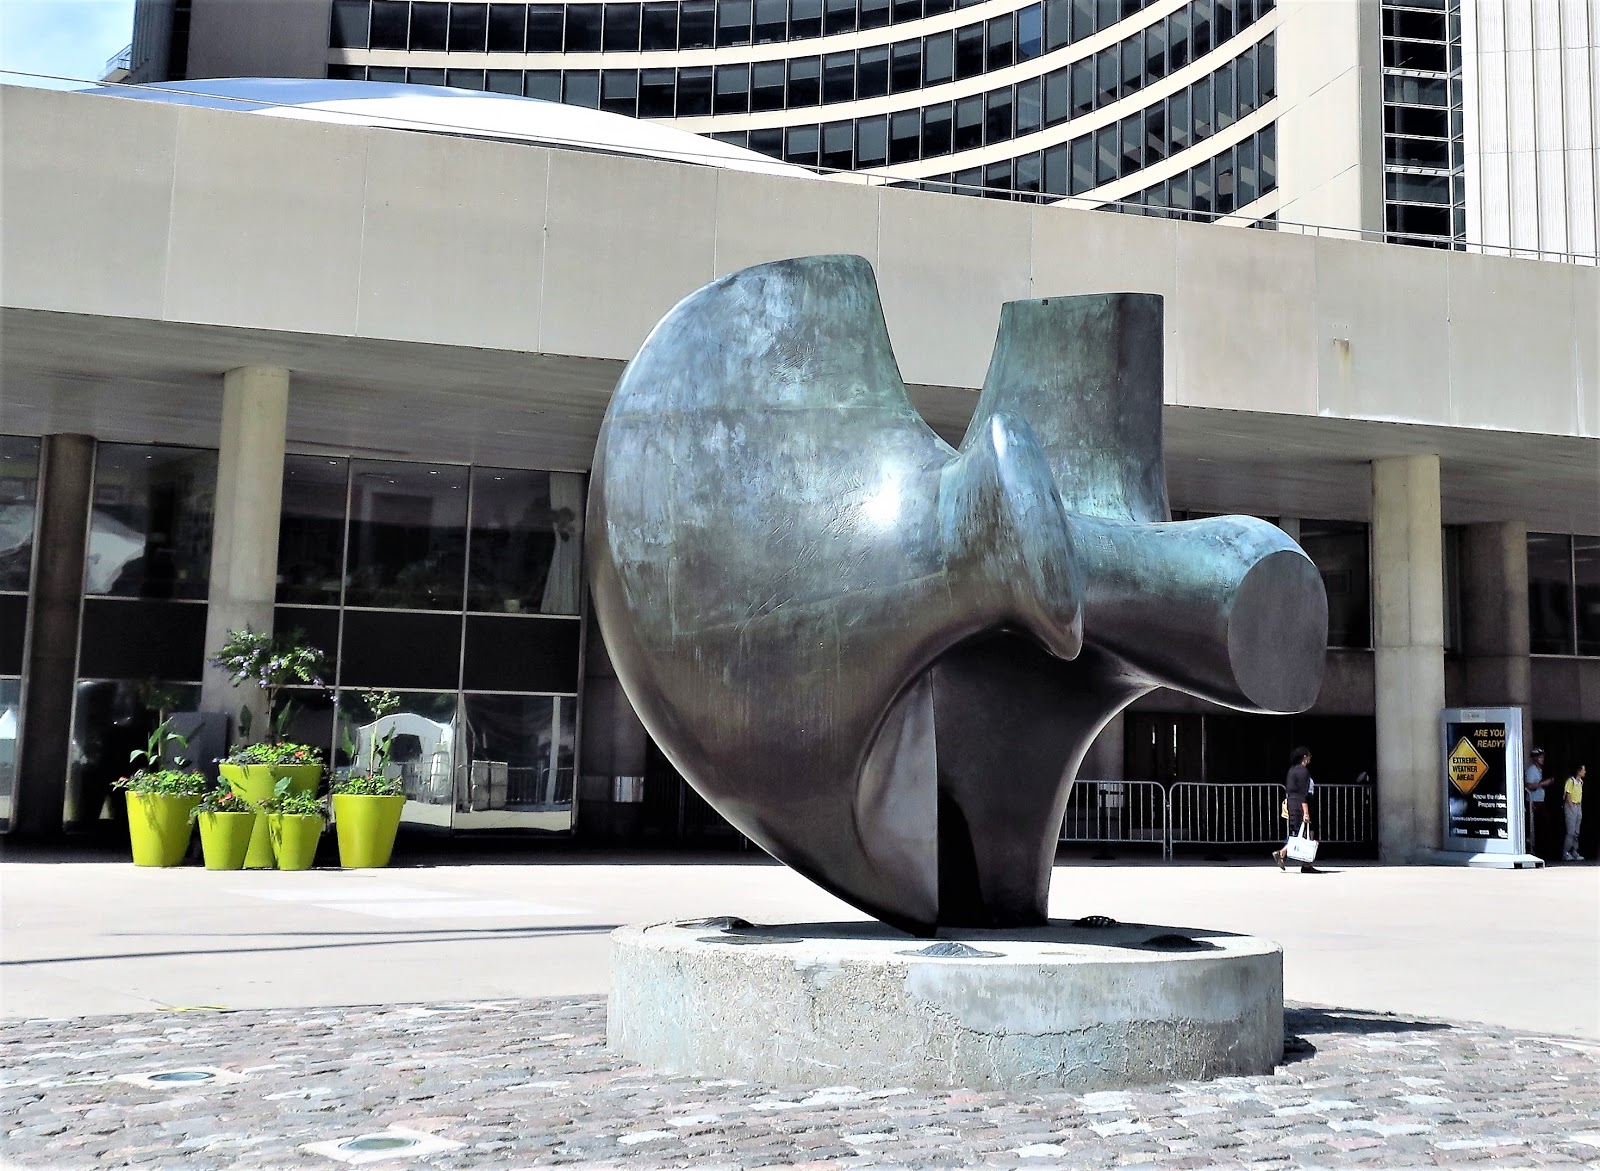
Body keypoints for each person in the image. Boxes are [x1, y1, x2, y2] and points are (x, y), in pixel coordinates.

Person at [1274, 747, 1319, 873]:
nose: (1310, 758)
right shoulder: (1303, 771)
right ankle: (1283, 854)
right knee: (1305, 834)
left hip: (1293, 803)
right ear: (1304, 757)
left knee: (1302, 833)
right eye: (1309, 755)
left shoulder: (1292, 770)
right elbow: (1302, 793)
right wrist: (1306, 812)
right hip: (1301, 805)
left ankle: (1305, 863)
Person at [1525, 748, 1556, 858]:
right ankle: (1536, 850)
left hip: (1541, 801)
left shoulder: (1540, 770)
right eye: (1540, 757)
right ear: (1535, 758)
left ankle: (1544, 851)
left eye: (1542, 757)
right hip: (1534, 802)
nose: (1542, 759)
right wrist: (1543, 783)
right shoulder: (1531, 770)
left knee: (1544, 826)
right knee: (1538, 827)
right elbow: (1529, 786)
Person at [1562, 764, 1586, 862]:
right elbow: (1568, 794)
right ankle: (1566, 852)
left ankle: (1574, 851)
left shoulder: (1580, 782)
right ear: (1579, 771)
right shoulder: (1570, 781)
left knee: (1576, 832)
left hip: (1578, 806)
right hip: (1571, 806)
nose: (1585, 772)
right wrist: (1572, 807)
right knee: (1570, 832)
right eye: (1583, 770)